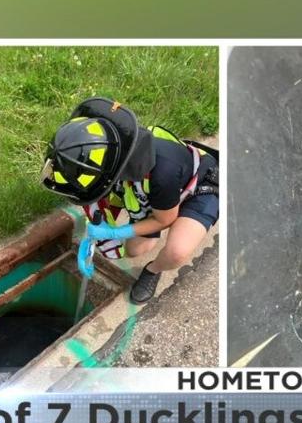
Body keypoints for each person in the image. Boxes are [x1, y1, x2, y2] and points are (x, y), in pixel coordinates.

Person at [41, 97, 219, 303]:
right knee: (135, 249)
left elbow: (165, 220)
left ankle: (153, 270)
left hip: (199, 186)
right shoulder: (111, 152)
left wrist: (116, 232)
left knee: (177, 252)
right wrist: (89, 240)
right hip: (158, 195)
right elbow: (95, 202)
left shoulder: (160, 173)